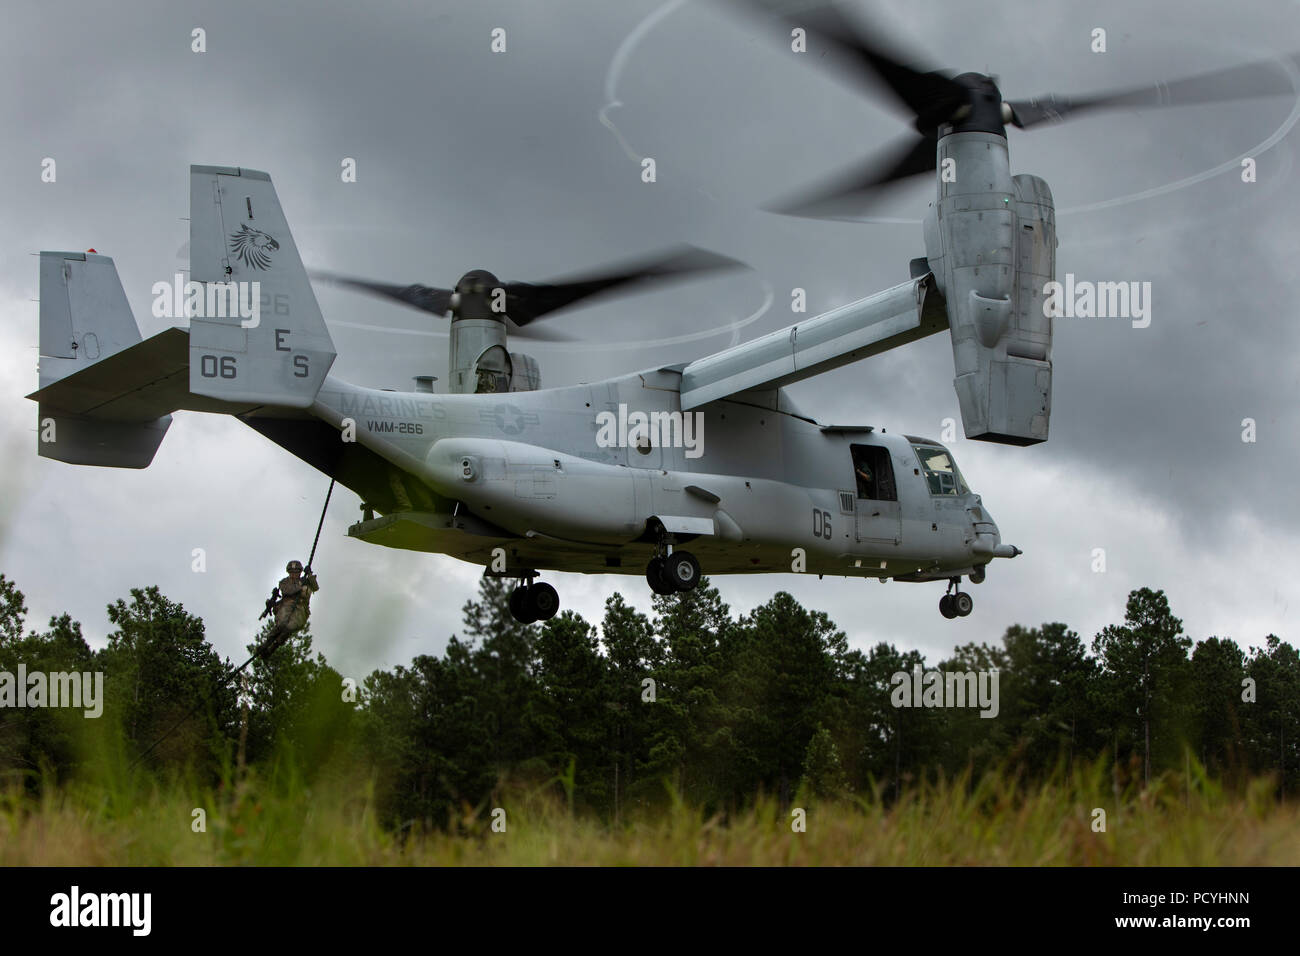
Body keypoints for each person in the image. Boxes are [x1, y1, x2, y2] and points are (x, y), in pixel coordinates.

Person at [258, 560, 319, 658]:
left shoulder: (306, 582)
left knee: (290, 627)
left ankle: (273, 647)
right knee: (282, 624)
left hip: (300, 610)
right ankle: (266, 644)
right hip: (285, 607)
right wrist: (300, 584)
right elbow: (288, 591)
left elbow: (315, 587)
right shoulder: (284, 582)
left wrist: (310, 575)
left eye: (296, 572)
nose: (294, 574)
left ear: (300, 572)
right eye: (292, 572)